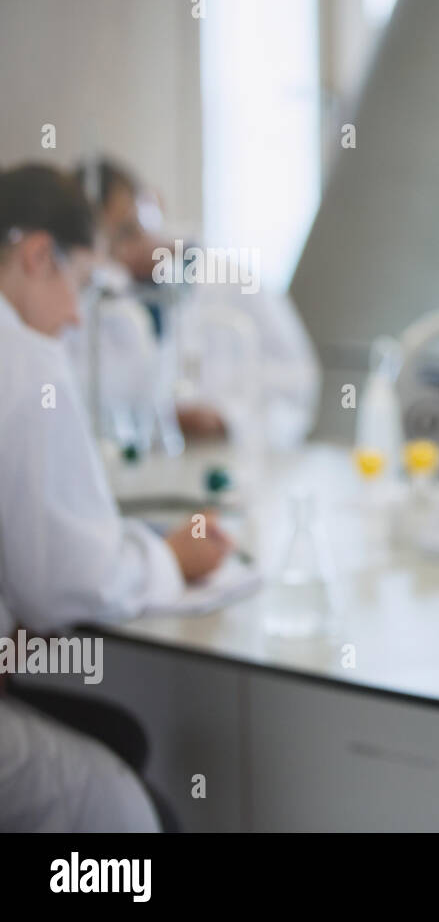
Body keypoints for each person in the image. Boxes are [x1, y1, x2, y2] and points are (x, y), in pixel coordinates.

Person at [0, 164, 231, 830]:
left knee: (120, 734)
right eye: (76, 284)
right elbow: (67, 584)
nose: (75, 315)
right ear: (38, 255)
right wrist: (170, 559)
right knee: (129, 814)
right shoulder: (23, 357)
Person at [73, 156, 320, 449]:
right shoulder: (97, 303)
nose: (125, 253)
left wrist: (225, 419)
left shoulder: (234, 282)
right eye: (110, 245)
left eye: (129, 231)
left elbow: (299, 383)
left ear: (154, 203)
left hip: (229, 465)